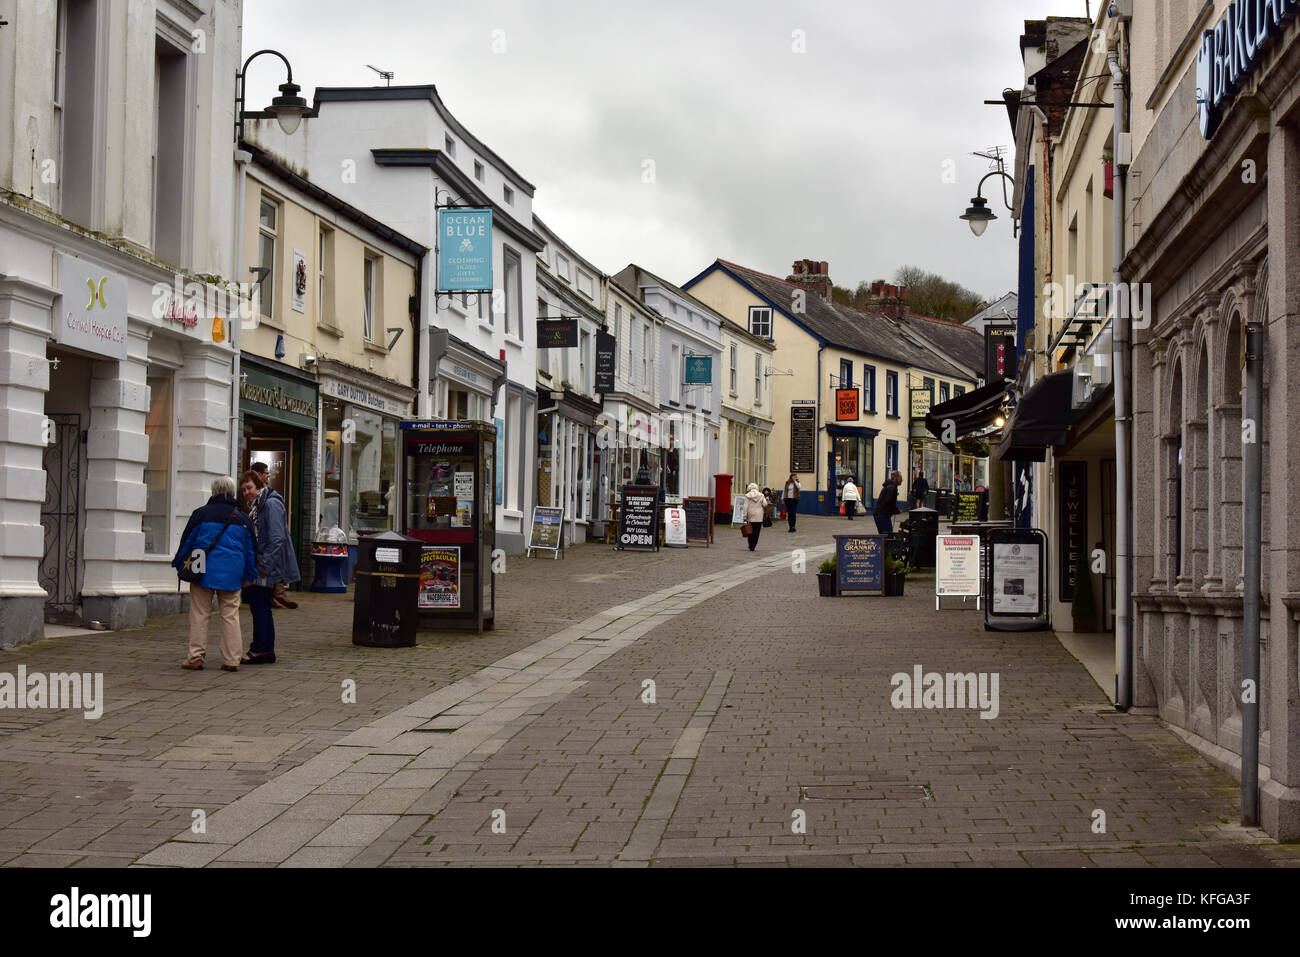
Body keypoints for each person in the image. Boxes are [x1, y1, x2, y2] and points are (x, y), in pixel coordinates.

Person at [172, 477, 258, 672]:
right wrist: (248, 575)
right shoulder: (243, 519)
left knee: (200, 614)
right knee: (230, 615)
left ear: (213, 492)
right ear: (233, 492)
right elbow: (251, 551)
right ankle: (231, 659)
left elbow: (187, 543)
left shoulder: (200, 515)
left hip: (202, 570)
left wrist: (178, 564)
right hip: (232, 573)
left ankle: (195, 657)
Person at [239, 469, 300, 665]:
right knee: (261, 606)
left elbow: (277, 538)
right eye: (243, 490)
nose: (246, 492)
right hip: (264, 563)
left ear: (259, 486)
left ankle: (260, 649)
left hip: (267, 565)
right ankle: (265, 649)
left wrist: (264, 567)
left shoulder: (271, 504)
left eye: (249, 488)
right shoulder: (259, 505)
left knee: (260, 606)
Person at [251, 461, 298, 609]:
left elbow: (276, 538)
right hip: (261, 546)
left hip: (268, 544)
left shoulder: (270, 500)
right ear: (258, 474)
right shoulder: (257, 496)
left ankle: (277, 593)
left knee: (273, 559)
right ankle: (275, 594)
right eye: (266, 473)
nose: (268, 475)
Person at [742, 482, 766, 551]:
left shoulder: (747, 496)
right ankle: (754, 545)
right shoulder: (761, 495)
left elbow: (745, 506)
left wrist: (744, 515)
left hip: (751, 514)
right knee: (757, 531)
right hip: (759, 515)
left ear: (749, 488)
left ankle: (750, 544)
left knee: (750, 530)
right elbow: (765, 504)